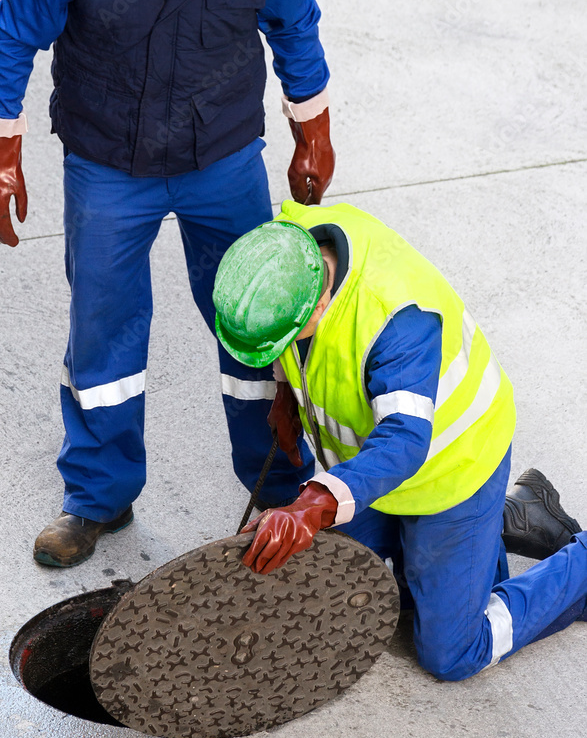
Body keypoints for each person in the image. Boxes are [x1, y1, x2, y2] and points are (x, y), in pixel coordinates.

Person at [0, 0, 334, 566]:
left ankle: (280, 490)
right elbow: (12, 37)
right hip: (108, 163)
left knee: (256, 319)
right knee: (103, 327)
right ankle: (99, 496)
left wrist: (312, 133)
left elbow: (296, 28)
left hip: (221, 157)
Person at [212, 200, 586, 680]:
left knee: (451, 652)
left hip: (454, 469)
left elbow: (404, 441)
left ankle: (573, 562)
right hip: (377, 471)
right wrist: (286, 394)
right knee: (328, 583)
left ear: (319, 304)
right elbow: (288, 342)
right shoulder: (284, 251)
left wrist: (312, 505)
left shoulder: (396, 320)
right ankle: (507, 518)